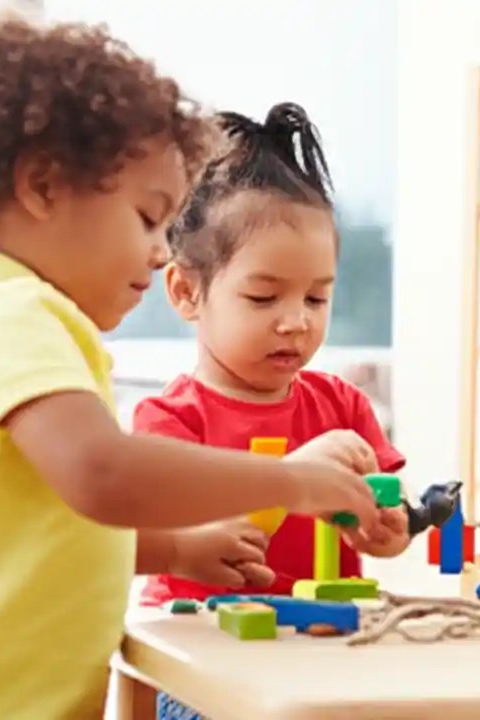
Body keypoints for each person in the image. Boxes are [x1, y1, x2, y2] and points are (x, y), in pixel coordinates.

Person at [0, 17, 382, 719]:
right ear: (44, 187)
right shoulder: (13, 314)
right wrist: (293, 480)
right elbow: (102, 474)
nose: (158, 252)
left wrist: (175, 547)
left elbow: (43, 526)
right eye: (147, 219)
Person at [135, 102, 413, 606]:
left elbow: (389, 521)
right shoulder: (168, 423)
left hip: (322, 643)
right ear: (185, 292)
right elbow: (183, 542)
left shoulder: (343, 409)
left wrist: (388, 529)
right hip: (199, 647)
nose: (296, 321)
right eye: (263, 297)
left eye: (316, 298)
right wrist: (294, 480)